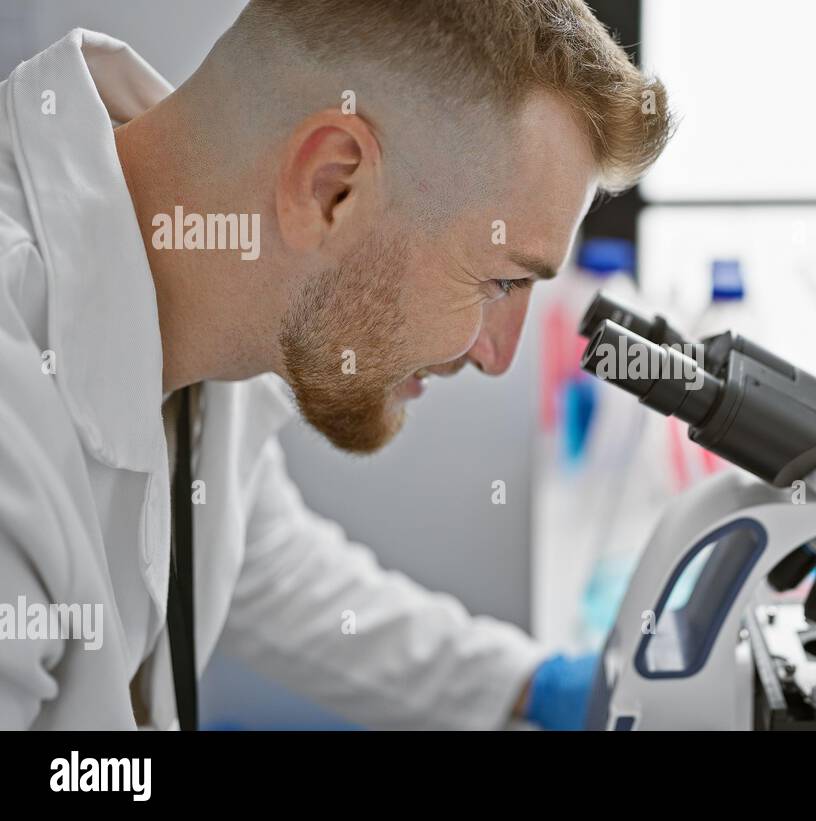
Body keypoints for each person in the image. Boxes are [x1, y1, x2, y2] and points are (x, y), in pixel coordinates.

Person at [0, 0, 671, 730]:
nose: (497, 355)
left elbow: (266, 563)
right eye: (501, 280)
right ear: (331, 187)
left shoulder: (208, 279)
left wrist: (525, 683)